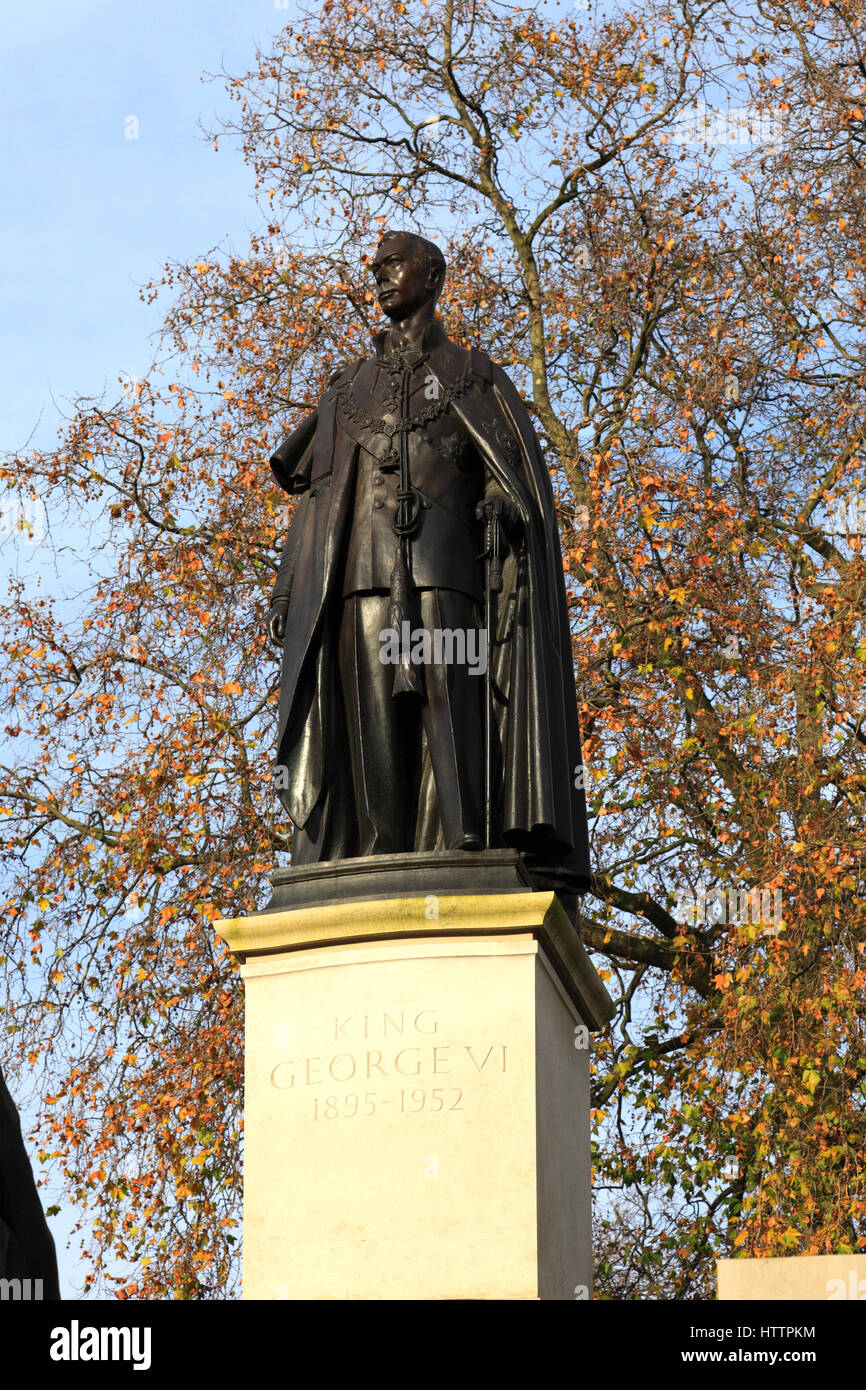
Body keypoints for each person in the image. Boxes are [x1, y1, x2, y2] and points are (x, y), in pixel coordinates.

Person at [266, 229, 590, 891]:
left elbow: (509, 475)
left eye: (393, 265)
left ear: (433, 276)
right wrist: (289, 589)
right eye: (375, 268)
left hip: (449, 579)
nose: (380, 276)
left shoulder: (474, 376)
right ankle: (379, 868)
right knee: (375, 735)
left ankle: (463, 862)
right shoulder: (346, 390)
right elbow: (316, 498)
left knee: (451, 725)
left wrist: (501, 503)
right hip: (361, 583)